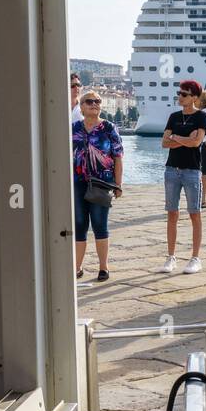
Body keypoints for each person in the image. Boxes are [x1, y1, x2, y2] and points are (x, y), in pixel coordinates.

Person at [73, 89, 124, 282]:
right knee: (79, 224)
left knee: (99, 224)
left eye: (98, 101)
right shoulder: (74, 128)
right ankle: (77, 267)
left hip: (102, 183)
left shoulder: (109, 128)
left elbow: (118, 157)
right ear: (82, 107)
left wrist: (118, 184)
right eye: (89, 101)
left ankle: (104, 267)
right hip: (77, 182)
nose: (94, 104)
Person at [160, 80, 206, 274]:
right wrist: (185, 139)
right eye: (179, 93)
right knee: (172, 213)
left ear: (195, 97)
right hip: (171, 169)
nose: (180, 96)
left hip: (191, 170)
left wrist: (176, 138)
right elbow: (164, 143)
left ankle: (195, 258)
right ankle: (171, 257)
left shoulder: (201, 117)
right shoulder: (173, 117)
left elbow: (196, 142)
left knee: (194, 214)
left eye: (184, 94)